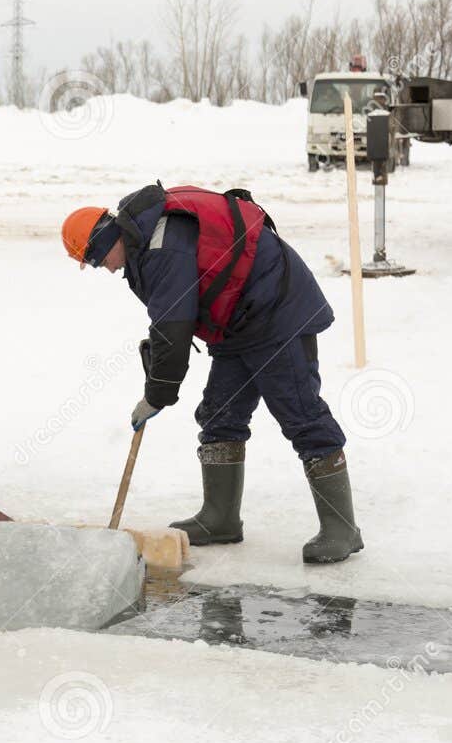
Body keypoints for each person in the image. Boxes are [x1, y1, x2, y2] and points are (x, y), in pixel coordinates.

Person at [61, 182, 363, 563]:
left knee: (301, 413)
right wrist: (158, 355)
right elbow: (172, 313)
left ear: (103, 242)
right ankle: (220, 518)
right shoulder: (144, 242)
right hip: (238, 320)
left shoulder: (158, 246)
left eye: (94, 260)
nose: (101, 268)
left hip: (276, 312)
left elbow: (174, 323)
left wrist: (157, 395)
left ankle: (342, 529)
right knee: (220, 416)